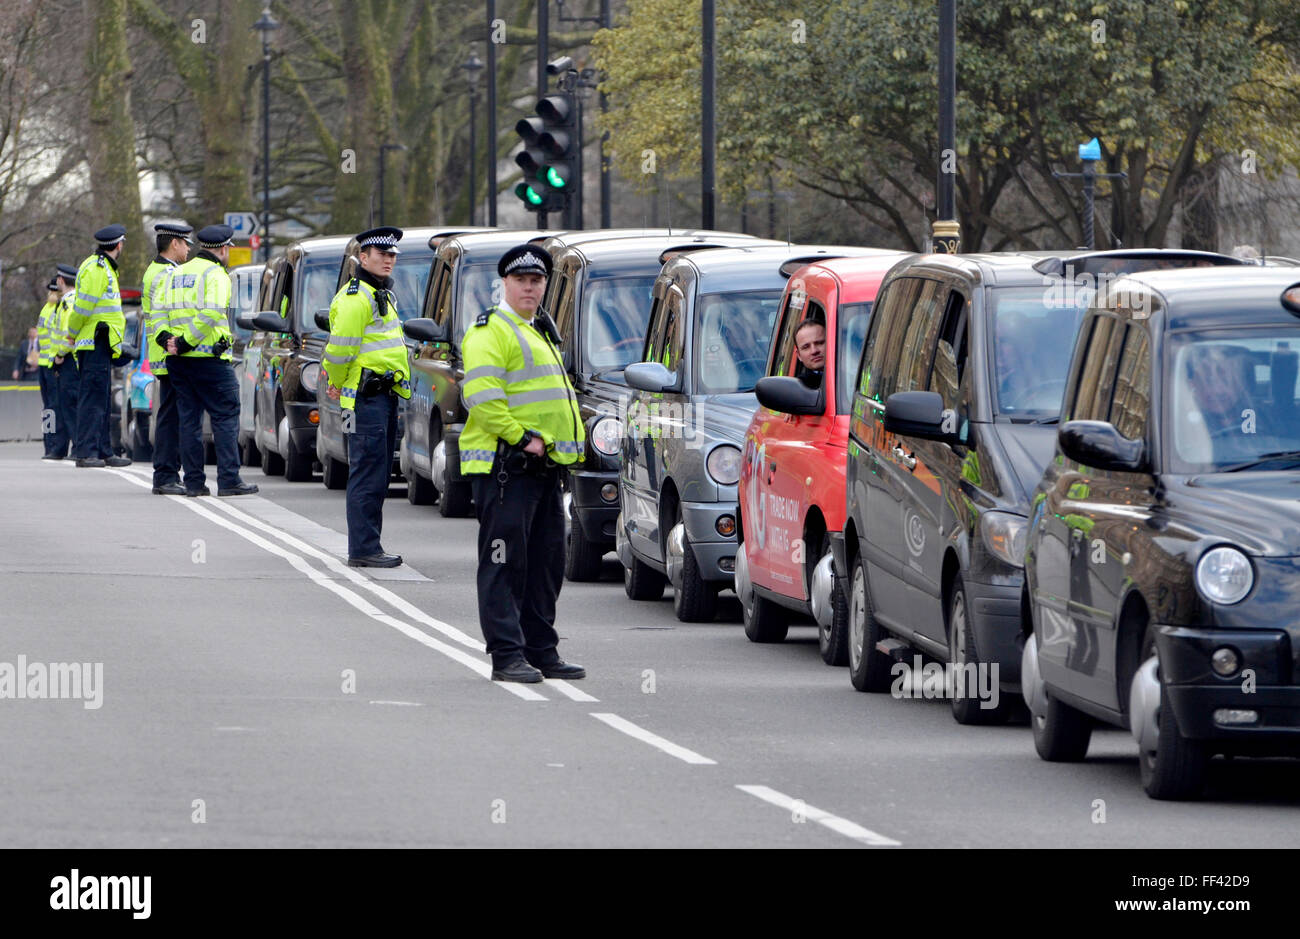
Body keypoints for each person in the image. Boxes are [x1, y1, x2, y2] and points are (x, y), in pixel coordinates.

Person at [459, 244, 587, 683]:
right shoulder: (490, 330)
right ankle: (506, 656)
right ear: (505, 284)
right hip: (506, 469)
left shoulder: (540, 330)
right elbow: (481, 397)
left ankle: (541, 649)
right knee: (504, 564)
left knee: (545, 567)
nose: (530, 287)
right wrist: (523, 439)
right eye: (521, 280)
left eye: (537, 281)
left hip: (545, 469)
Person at [321, 226, 412, 568]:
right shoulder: (355, 297)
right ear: (363, 257)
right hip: (363, 399)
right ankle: (363, 549)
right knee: (367, 473)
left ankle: (369, 544)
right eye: (381, 255)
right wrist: (336, 381)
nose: (389, 260)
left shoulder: (380, 294)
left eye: (392, 256)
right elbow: (340, 349)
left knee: (377, 473)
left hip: (380, 396)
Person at [159, 224, 258, 497]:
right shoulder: (216, 274)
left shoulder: (176, 274)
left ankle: (193, 483)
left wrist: (167, 339)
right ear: (224, 249)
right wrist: (187, 341)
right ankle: (228, 480)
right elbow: (211, 313)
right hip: (209, 359)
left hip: (179, 362)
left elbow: (159, 312)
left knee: (189, 421)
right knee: (225, 416)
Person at [68, 223, 132, 468]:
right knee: (92, 400)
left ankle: (104, 450)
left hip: (101, 343)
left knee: (102, 399)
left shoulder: (104, 267)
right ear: (117, 245)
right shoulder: (97, 268)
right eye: (122, 243)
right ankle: (86, 452)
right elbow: (82, 307)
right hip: (93, 341)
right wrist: (71, 333)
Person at [142, 222, 194, 495]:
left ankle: (168, 473)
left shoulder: (158, 271)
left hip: (163, 352)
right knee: (171, 417)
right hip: (169, 352)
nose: (187, 249)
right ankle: (165, 475)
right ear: (174, 243)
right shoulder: (166, 274)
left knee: (170, 415)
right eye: (185, 243)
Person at [46, 264, 81, 458]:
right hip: (62, 360)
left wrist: (59, 354)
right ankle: (62, 448)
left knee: (69, 406)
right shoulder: (66, 302)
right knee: (63, 406)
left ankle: (75, 446)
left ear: (61, 280)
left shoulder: (68, 303)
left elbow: (68, 335)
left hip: (66, 360)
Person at [35, 282, 62, 457]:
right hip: (53, 364)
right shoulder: (57, 310)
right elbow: (57, 337)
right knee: (57, 407)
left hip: (43, 364)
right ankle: (55, 445)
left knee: (48, 409)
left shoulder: (45, 309)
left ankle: (48, 444)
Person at [792, 319, 826, 389]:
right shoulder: (798, 388)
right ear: (799, 355)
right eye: (806, 347)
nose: (814, 351)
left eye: (819, 343)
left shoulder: (851, 373)